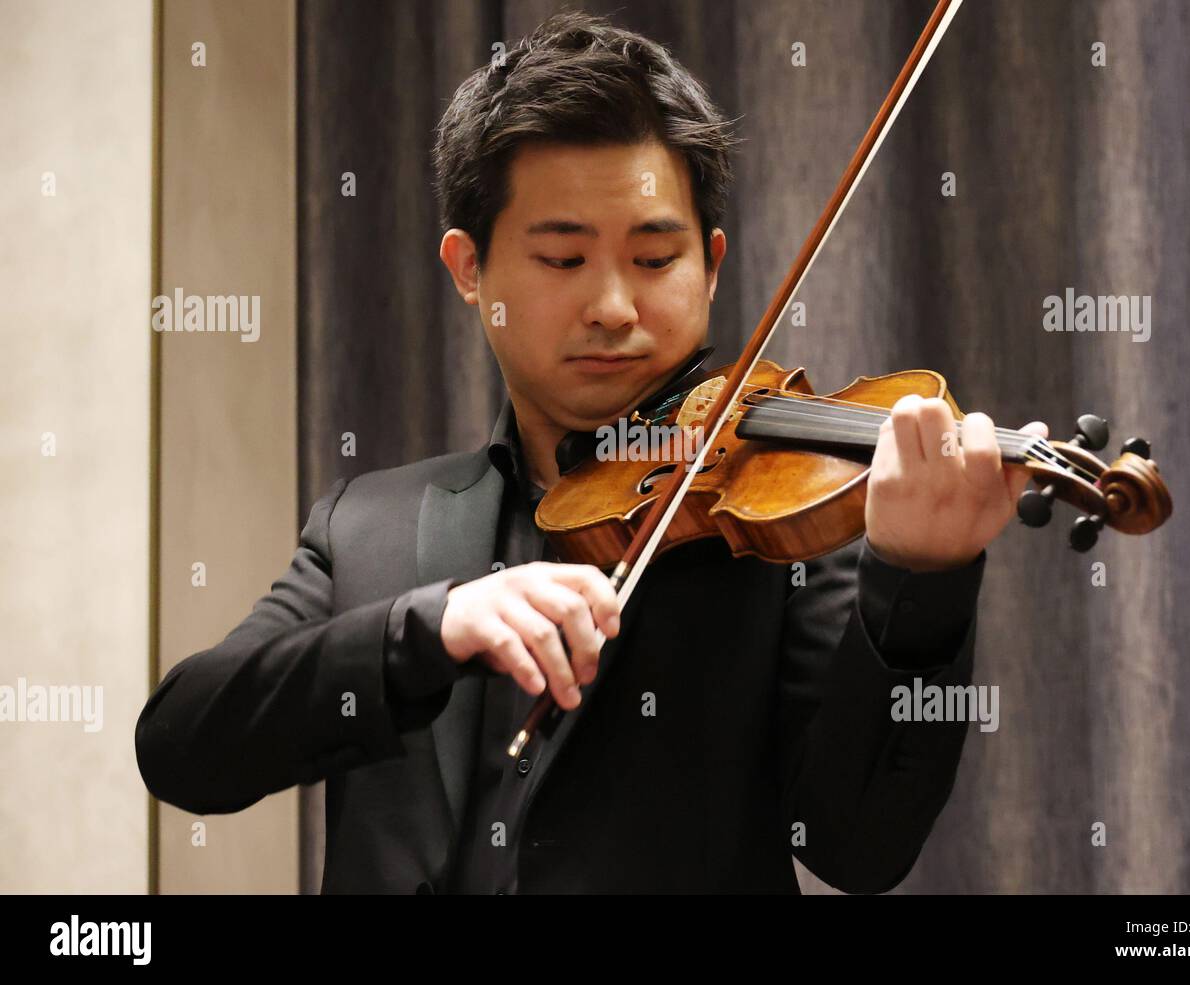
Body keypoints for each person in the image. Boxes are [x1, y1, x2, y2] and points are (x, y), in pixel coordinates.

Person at [135, 10, 1047, 894]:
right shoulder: (367, 526)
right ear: (469, 269)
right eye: (564, 260)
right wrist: (430, 628)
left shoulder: (779, 531)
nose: (614, 305)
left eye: (655, 260)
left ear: (713, 262)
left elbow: (862, 845)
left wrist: (921, 581)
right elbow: (183, 743)